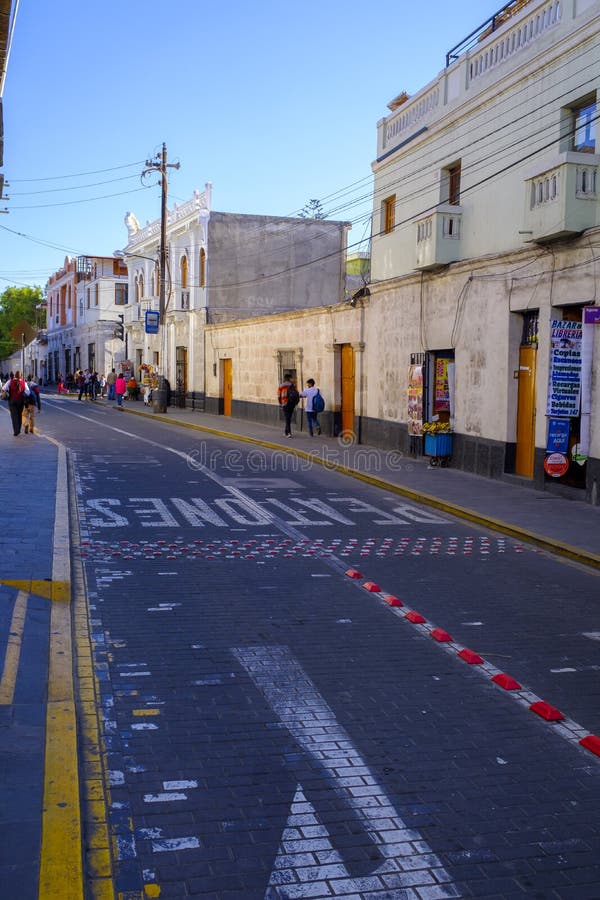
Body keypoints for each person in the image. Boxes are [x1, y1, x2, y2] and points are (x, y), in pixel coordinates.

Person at [2, 370, 29, 436]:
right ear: (21, 376)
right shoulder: (24, 382)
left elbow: (3, 389)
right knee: (19, 415)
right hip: (21, 401)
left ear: (14, 375)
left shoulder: (10, 381)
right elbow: (28, 392)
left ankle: (16, 431)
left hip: (12, 401)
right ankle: (18, 429)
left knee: (14, 416)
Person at [278, 373, 299, 437]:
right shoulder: (293, 385)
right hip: (292, 403)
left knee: (287, 418)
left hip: (285, 403)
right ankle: (286, 432)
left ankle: (289, 433)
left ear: (285, 378)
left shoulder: (281, 386)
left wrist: (280, 403)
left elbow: (279, 395)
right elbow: (296, 393)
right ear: (289, 378)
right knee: (288, 418)